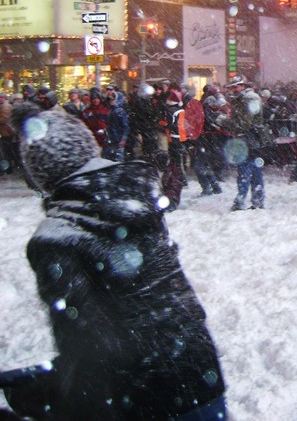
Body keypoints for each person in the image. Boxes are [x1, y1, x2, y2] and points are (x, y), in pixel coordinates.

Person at [3, 103, 226, 420]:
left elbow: (90, 352)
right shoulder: (133, 200)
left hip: (142, 399)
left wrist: (39, 397)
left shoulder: (57, 237)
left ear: (40, 174)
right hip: (198, 376)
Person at [222, 75, 268, 211]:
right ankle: (257, 201)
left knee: (245, 172)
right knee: (255, 172)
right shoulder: (247, 98)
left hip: (247, 140)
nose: (234, 90)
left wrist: (223, 121)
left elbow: (243, 123)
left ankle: (241, 201)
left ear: (243, 86)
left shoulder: (248, 99)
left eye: (236, 87)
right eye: (233, 87)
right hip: (252, 140)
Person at [103, 90, 129, 162]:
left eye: (113, 99)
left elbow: (126, 127)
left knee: (118, 160)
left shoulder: (120, 112)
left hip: (118, 139)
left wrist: (123, 139)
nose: (111, 101)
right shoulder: (110, 111)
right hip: (110, 139)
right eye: (110, 99)